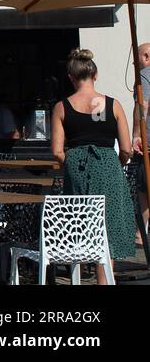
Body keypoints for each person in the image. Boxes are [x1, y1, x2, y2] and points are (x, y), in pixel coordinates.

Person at [52, 48, 137, 283]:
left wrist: (74, 163)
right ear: (95, 74)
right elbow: (127, 148)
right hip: (109, 168)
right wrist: (114, 164)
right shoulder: (113, 105)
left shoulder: (61, 107)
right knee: (106, 230)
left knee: (78, 227)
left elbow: (57, 151)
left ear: (71, 77)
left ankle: (77, 279)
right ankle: (104, 282)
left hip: (76, 170)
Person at [132, 42, 150, 238]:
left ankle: (141, 232)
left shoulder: (146, 75)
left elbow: (142, 105)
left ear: (145, 56)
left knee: (143, 185)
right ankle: (141, 232)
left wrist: (137, 134)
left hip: (149, 144)